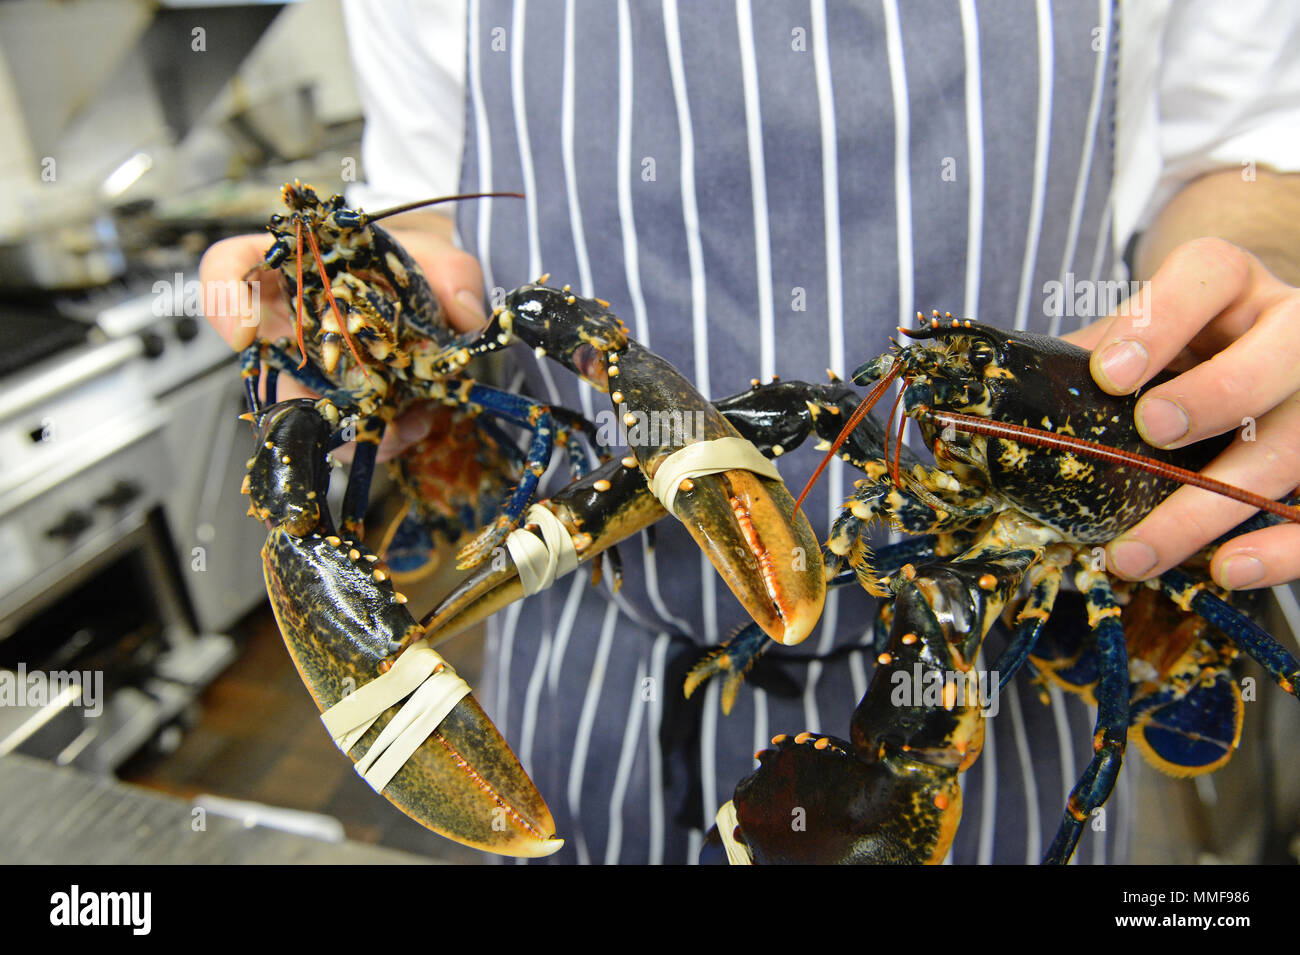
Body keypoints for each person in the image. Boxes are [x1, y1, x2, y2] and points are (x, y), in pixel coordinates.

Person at [202, 0, 1300, 863]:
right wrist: (393, 302)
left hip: (1000, 687)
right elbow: (433, 190)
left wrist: (1263, 286)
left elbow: (1239, 154)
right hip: (588, 653)